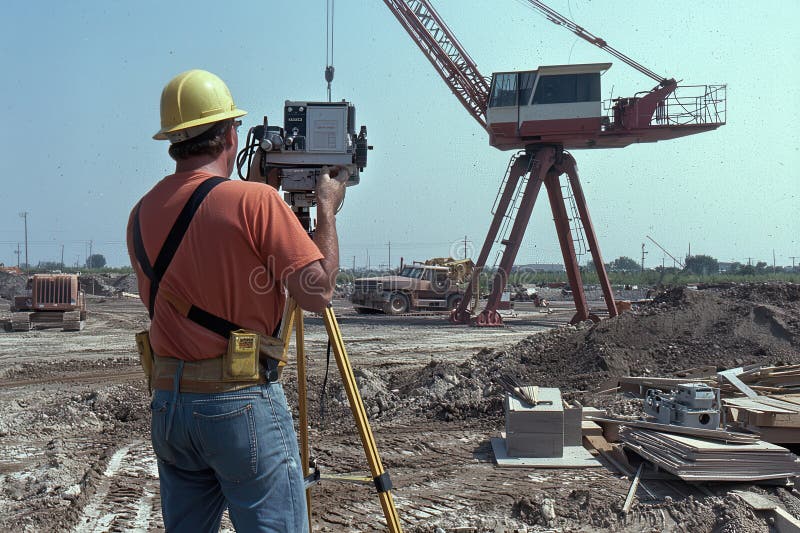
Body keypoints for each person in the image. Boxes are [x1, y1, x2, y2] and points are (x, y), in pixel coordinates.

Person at [126, 69, 345, 532]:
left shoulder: (140, 212)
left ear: (173, 140)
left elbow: (205, 250)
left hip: (169, 406)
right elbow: (317, 292)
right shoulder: (258, 202)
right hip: (238, 403)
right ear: (229, 133)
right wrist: (325, 208)